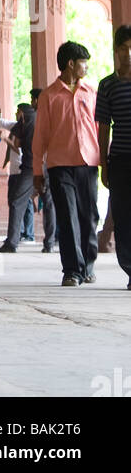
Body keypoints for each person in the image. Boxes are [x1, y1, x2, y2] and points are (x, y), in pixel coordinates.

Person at [33, 41, 100, 288]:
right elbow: (40, 135)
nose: (86, 68)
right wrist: (37, 171)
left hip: (88, 163)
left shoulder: (91, 92)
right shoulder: (49, 96)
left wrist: (105, 160)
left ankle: (87, 266)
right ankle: (72, 270)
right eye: (83, 63)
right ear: (71, 64)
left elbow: (99, 128)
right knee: (68, 216)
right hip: (60, 165)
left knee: (89, 216)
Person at [96, 24, 131, 289]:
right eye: (123, 48)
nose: (128, 54)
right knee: (122, 216)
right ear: (116, 50)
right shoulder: (107, 85)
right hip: (119, 160)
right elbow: (103, 128)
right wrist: (103, 165)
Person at [0, 103, 36, 253]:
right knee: (49, 204)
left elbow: (18, 146)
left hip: (28, 167)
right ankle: (50, 242)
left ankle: (14, 241)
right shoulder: (37, 119)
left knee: (18, 203)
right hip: (45, 165)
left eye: (18, 112)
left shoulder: (25, 122)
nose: (16, 114)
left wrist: (6, 139)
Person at [30, 87, 56, 252]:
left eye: (33, 100)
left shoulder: (40, 116)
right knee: (51, 204)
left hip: (48, 164)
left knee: (49, 204)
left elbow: (40, 144)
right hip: (51, 164)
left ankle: (50, 241)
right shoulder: (47, 115)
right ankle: (52, 240)